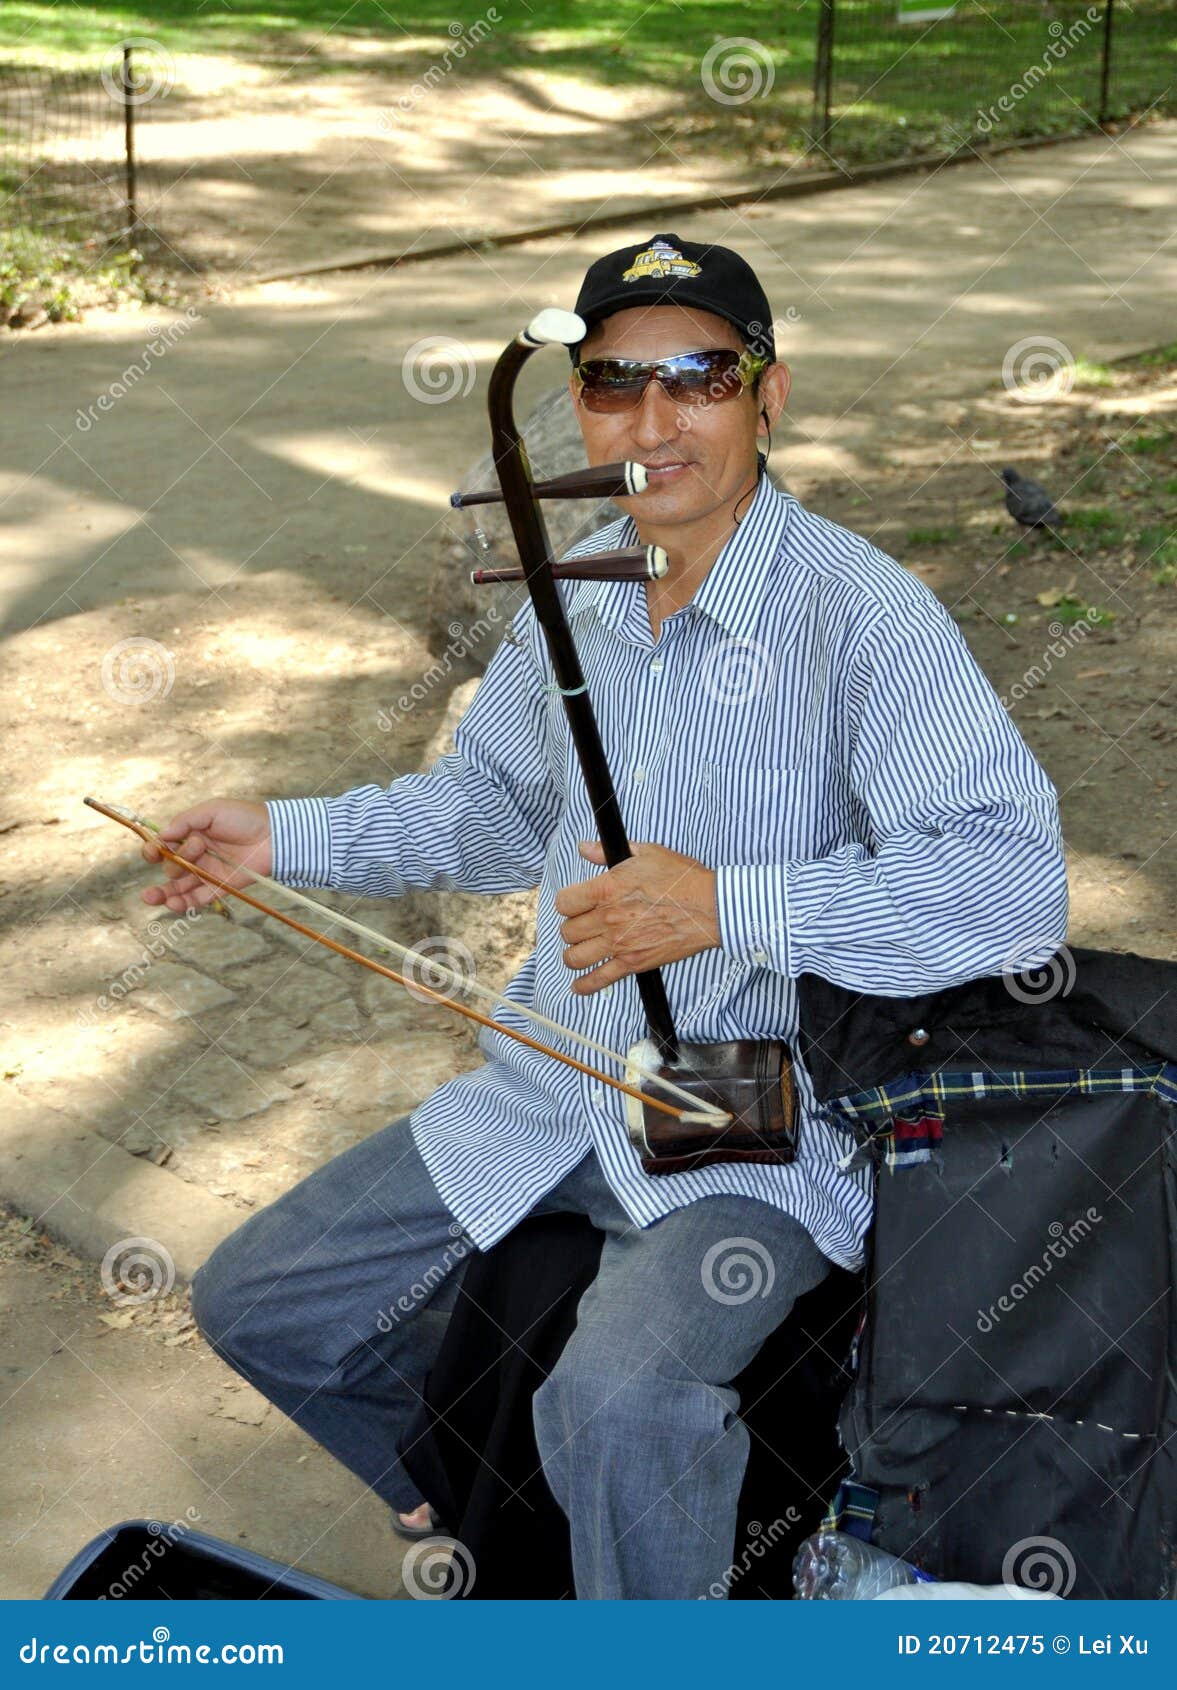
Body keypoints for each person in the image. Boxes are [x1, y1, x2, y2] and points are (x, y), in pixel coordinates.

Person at [140, 231, 1069, 1600]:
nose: (652, 419)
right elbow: (491, 812)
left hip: (755, 1119)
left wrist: (728, 906)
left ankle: (705, 1607)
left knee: (616, 1405)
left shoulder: (865, 619)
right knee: (261, 1302)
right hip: (552, 1079)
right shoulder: (574, 589)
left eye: (699, 377)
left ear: (768, 396)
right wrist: (281, 834)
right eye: (612, 382)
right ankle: (469, 1495)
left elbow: (1011, 885)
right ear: (577, 406)